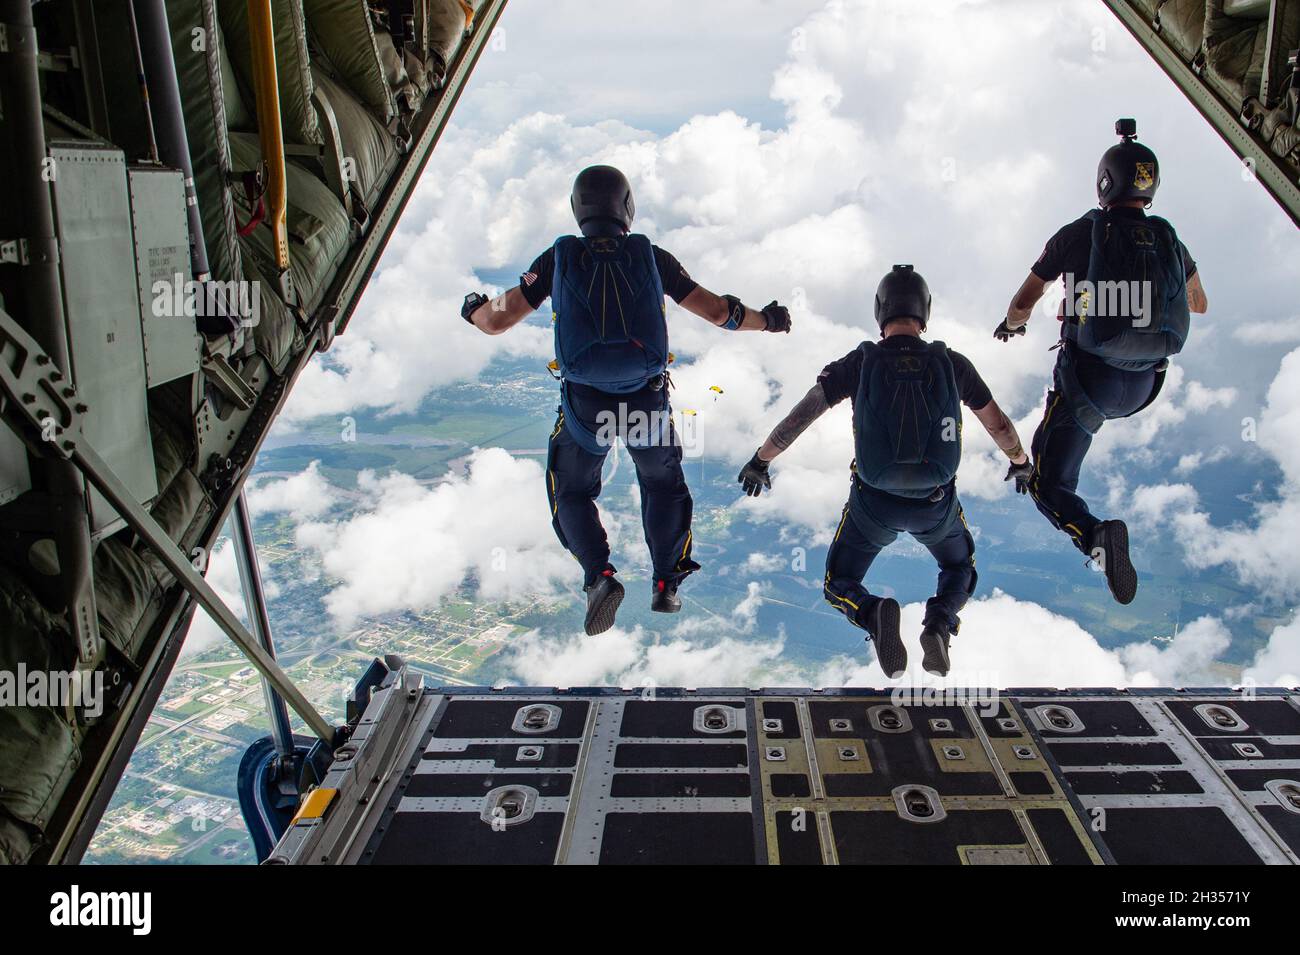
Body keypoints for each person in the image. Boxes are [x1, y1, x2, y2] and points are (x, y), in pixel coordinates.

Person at [463, 165, 792, 635]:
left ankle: (599, 577)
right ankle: (667, 584)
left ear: (578, 210)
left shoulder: (557, 259)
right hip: (647, 404)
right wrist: (771, 320)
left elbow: (496, 320)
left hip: (585, 410)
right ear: (628, 208)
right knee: (662, 485)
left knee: (572, 490)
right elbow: (721, 312)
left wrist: (472, 308)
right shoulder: (651, 257)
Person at [739, 265, 1031, 677]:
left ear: (880, 311)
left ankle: (873, 612)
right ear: (924, 312)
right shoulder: (952, 365)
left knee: (838, 581)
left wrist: (760, 461)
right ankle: (939, 623)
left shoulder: (859, 363)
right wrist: (1021, 463)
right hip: (936, 505)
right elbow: (998, 425)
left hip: (873, 507)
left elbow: (800, 418)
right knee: (958, 569)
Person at [994, 119, 1208, 605]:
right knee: (1058, 466)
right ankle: (1098, 541)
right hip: (1145, 386)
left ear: (1104, 181)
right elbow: (1199, 304)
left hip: (1089, 386)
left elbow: (1025, 299)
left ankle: (1096, 537)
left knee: (1046, 482)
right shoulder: (1170, 238)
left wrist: (1012, 325)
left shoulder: (1083, 232)